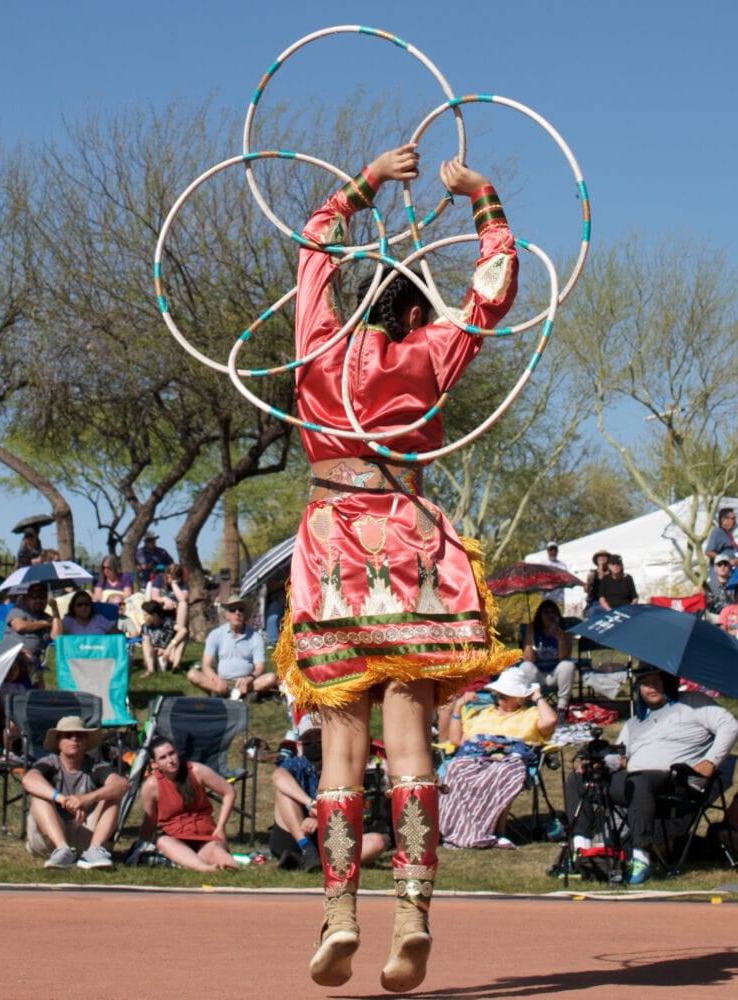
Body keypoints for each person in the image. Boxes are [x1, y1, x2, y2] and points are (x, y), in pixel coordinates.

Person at [273, 145, 518, 991]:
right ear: (417, 312)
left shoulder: (317, 345)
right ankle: (412, 913)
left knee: (341, 749)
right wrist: (481, 198)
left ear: (359, 305)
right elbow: (494, 290)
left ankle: (339, 912)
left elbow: (314, 245)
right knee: (411, 745)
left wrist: (369, 180)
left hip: (333, 542)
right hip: (409, 544)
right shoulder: (429, 352)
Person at [564, 662, 738, 885]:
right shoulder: (635, 722)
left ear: (670, 682)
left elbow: (730, 726)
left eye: (657, 681)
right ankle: (582, 852)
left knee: (639, 781)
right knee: (579, 778)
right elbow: (618, 757)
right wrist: (598, 764)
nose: (652, 687)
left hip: (676, 784)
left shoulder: (694, 702)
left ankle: (640, 859)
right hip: (635, 784)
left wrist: (710, 761)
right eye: (646, 683)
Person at [439, 668, 557, 849]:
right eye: (500, 692)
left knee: (503, 773)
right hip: (475, 758)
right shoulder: (484, 714)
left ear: (520, 698)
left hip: (508, 761)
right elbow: (456, 740)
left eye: (507, 693)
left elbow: (550, 721)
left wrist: (538, 697)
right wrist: (458, 707)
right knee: (456, 768)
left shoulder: (530, 715)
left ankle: (496, 830)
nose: (501, 696)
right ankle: (460, 828)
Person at [271, 722, 391, 872]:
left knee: (377, 842)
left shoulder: (342, 768)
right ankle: (307, 849)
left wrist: (321, 820)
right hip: (295, 832)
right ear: (300, 744)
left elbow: (355, 812)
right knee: (283, 792)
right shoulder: (296, 765)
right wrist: (311, 804)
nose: (314, 744)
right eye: (308, 741)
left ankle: (314, 861)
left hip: (330, 833)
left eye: (318, 739)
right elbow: (278, 775)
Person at [22, 715, 129, 869]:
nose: (74, 739)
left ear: (86, 742)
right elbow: (29, 780)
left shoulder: (95, 767)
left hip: (85, 834)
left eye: (79, 736)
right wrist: (62, 800)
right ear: (58, 742)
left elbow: (122, 785)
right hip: (48, 840)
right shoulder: (49, 764)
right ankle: (62, 850)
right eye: (68, 736)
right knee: (38, 798)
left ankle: (94, 851)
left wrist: (87, 799)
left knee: (113, 796)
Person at [129, 735, 240, 872]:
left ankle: (220, 863)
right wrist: (141, 845)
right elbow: (150, 821)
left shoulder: (196, 770)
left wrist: (221, 827)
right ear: (154, 763)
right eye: (163, 758)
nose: (170, 760)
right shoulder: (152, 785)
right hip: (177, 839)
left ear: (177, 752)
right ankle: (203, 868)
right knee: (163, 841)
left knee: (221, 855)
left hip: (206, 835)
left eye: (171, 754)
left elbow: (229, 791)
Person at [187, 593, 276, 698]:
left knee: (271, 678)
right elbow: (206, 666)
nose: (237, 613)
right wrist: (216, 679)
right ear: (227, 615)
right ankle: (233, 693)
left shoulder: (256, 637)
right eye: (232, 610)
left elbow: (260, 667)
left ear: (245, 615)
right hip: (222, 681)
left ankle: (226, 693)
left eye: (241, 609)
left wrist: (249, 678)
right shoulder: (215, 634)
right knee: (192, 674)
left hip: (247, 682)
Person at [516, 599, 576, 721]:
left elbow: (564, 658)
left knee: (568, 665)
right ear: (540, 615)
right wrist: (530, 636)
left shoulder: (564, 632)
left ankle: (562, 708)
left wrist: (561, 639)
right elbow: (528, 659)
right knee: (525, 666)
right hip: (538, 675)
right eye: (546, 612)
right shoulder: (534, 631)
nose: (550, 616)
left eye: (553, 612)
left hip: (555, 675)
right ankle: (533, 705)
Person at [3, 582, 62, 676]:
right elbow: (19, 626)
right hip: (14, 656)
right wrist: (45, 623)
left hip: (34, 660)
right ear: (26, 599)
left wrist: (55, 608)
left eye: (42, 597)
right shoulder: (18, 610)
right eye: (34, 597)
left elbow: (57, 636)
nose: (38, 600)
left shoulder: (47, 617)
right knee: (25, 660)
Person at [140, 599, 186, 675]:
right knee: (145, 638)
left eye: (146, 615)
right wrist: (156, 649)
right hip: (152, 655)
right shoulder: (145, 627)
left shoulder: (167, 622)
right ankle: (150, 670)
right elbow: (146, 646)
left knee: (181, 640)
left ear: (154, 615)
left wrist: (169, 648)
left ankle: (176, 666)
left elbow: (183, 630)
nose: (144, 617)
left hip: (167, 654)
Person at [704, 554, 735, 622]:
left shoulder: (735, 584)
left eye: (725, 564)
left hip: (734, 618)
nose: (722, 567)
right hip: (716, 619)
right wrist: (707, 601)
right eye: (719, 564)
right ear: (715, 568)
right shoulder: (709, 586)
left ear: (729, 567)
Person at [542, 542, 568, 609]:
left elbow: (566, 579)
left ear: (557, 551)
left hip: (559, 598)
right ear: (547, 551)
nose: (553, 551)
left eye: (555, 549)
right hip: (547, 598)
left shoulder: (562, 565)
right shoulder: (543, 564)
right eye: (551, 549)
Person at [584, 550, 610, 614]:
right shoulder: (593, 573)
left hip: (608, 601)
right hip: (595, 601)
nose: (602, 558)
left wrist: (601, 566)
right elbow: (586, 590)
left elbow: (602, 578)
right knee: (592, 611)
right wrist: (588, 582)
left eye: (604, 557)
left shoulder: (611, 572)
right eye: (599, 557)